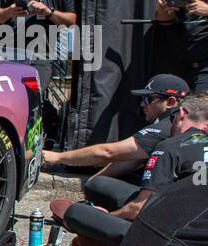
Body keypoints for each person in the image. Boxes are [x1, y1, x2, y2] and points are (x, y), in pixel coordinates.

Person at [50, 91, 208, 246]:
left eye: (173, 118)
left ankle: (111, 244)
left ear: (182, 114)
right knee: (98, 185)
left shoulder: (172, 146)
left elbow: (139, 208)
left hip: (183, 240)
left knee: (75, 213)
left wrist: (110, 216)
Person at [42, 75, 188, 208]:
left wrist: (57, 157)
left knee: (99, 186)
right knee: (101, 182)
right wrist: (95, 179)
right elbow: (130, 160)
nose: (142, 105)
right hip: (179, 196)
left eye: (148, 99)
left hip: (169, 202)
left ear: (170, 102)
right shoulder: (179, 121)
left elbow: (107, 152)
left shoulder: (166, 126)